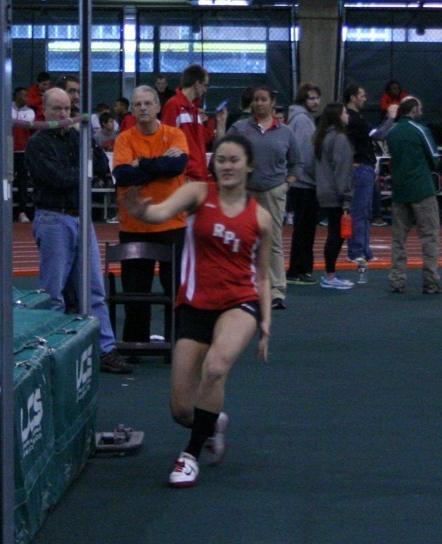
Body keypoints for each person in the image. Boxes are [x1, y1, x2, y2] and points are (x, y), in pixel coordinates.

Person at [121, 133, 272, 489]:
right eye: (221, 159)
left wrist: (266, 320)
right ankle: (212, 422)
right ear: (212, 164)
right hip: (194, 303)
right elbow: (160, 213)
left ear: (248, 166)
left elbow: (263, 275)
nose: (227, 166)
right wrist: (143, 211)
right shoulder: (198, 193)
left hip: (240, 302)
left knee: (216, 368)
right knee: (181, 410)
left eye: (234, 160)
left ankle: (189, 456)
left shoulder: (261, 218)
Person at [24, 87, 134, 375]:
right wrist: (84, 175)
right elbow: (57, 178)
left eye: (67, 110)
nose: (63, 115)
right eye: (56, 109)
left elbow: (100, 168)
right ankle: (49, 352)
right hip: (54, 219)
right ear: (44, 111)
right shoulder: (38, 144)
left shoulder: (77, 137)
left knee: (94, 290)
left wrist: (89, 140)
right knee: (54, 292)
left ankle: (104, 349)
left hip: (79, 218)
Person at [111, 85, 189, 359]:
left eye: (147, 103)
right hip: (134, 228)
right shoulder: (124, 139)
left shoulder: (175, 134)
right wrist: (156, 166)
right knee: (135, 292)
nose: (142, 108)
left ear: (158, 107)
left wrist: (140, 164)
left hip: (173, 226)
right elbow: (122, 176)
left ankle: (177, 346)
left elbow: (177, 167)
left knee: (177, 291)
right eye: (137, 104)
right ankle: (134, 346)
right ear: (131, 110)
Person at [227, 86, 301, 310]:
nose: (259, 103)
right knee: (241, 240)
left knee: (274, 241)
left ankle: (277, 291)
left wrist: (287, 184)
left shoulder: (286, 132)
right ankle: (242, 289)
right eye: (256, 100)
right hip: (245, 193)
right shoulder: (239, 128)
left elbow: (297, 163)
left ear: (272, 102)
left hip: (274, 192)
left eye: (264, 99)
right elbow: (224, 152)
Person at [384, 97, 442, 294]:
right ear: (415, 109)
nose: (422, 112)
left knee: (399, 238)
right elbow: (435, 159)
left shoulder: (392, 132)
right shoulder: (420, 130)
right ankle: (430, 281)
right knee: (429, 236)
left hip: (400, 190)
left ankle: (397, 280)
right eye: (421, 109)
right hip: (422, 190)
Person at [344, 83, 395, 266]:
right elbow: (379, 135)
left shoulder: (357, 117)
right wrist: (391, 118)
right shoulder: (353, 119)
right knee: (359, 212)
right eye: (362, 95)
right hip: (360, 168)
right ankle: (356, 251)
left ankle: (364, 250)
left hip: (365, 167)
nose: (365, 98)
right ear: (352, 97)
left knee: (365, 212)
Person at [313, 103, 355, 290]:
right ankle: (330, 275)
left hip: (324, 190)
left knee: (334, 233)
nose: (348, 116)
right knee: (337, 235)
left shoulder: (320, 137)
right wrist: (346, 196)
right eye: (345, 113)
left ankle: (329, 273)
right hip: (336, 193)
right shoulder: (339, 139)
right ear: (338, 116)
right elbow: (342, 170)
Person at [162, 64, 227, 183]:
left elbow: (206, 140)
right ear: (197, 85)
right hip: (185, 176)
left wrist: (220, 123)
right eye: (205, 85)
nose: (205, 89)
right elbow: (166, 141)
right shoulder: (174, 105)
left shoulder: (194, 110)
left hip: (197, 175)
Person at [284, 82, 321, 286]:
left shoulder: (299, 118)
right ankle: (298, 270)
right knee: (304, 230)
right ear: (303, 100)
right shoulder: (304, 121)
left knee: (303, 229)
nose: (315, 102)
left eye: (317, 98)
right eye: (311, 98)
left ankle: (302, 269)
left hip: (302, 181)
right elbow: (305, 154)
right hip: (305, 183)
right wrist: (317, 177)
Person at [11, 86, 36, 223]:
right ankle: (1, 211)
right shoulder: (6, 109)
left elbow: (26, 127)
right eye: (24, 95)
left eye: (27, 95)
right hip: (8, 151)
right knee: (5, 181)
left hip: (22, 152)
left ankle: (21, 211)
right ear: (17, 96)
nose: (27, 98)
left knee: (23, 182)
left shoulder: (30, 112)